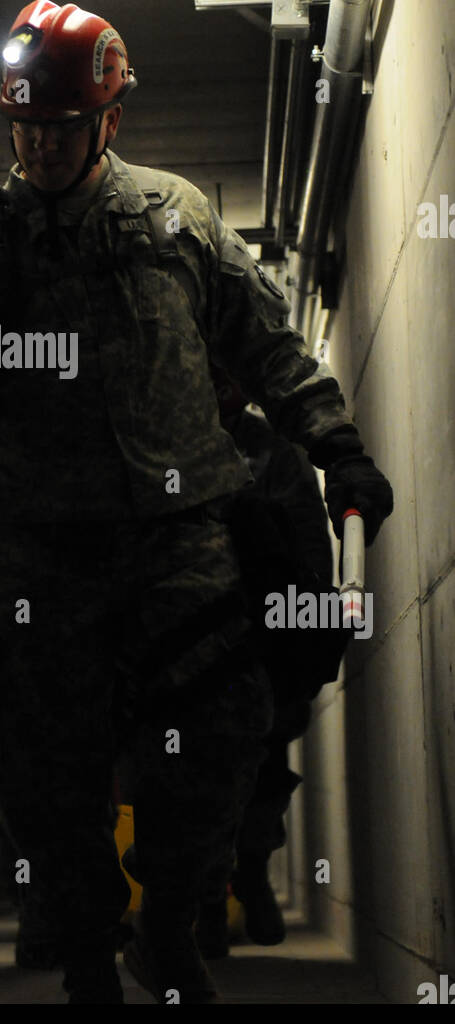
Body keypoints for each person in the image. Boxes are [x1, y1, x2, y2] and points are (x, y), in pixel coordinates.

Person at [0, 0, 393, 1004]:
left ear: (106, 121)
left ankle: (167, 922)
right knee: (31, 755)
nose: (39, 147)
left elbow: (265, 347)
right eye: (22, 128)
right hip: (38, 550)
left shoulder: (177, 220)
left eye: (59, 128)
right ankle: (81, 948)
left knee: (219, 736)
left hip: (181, 537)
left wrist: (334, 446)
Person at [196, 373, 351, 958]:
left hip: (262, 634)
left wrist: (307, 626)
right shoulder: (170, 439)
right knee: (198, 772)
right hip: (194, 632)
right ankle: (210, 899)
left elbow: (308, 540)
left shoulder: (273, 448)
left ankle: (253, 868)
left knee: (263, 761)